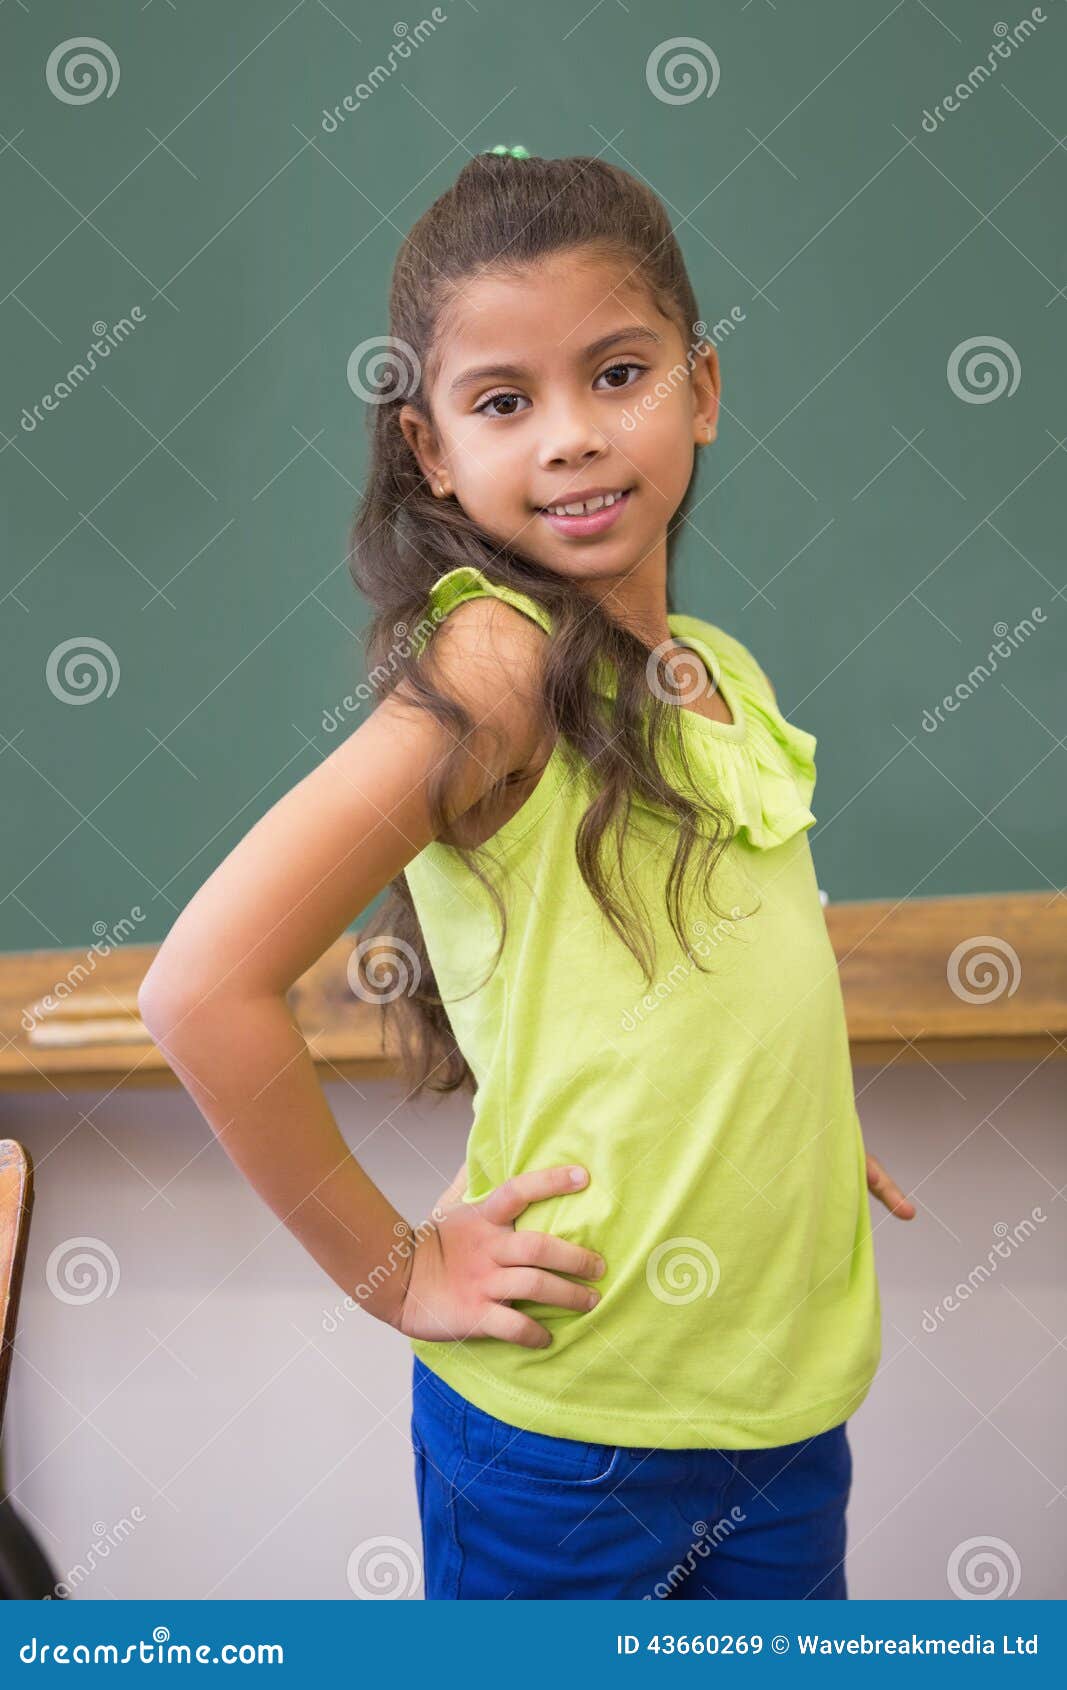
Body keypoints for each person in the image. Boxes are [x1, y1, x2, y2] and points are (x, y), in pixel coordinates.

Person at [139, 146, 916, 1603]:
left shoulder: (717, 675)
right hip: (575, 1445)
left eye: (616, 374)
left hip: (780, 1415)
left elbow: (722, 974)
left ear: (703, 387)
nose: (569, 436)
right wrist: (399, 1269)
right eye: (505, 401)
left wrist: (791, 1123)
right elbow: (200, 987)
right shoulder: (495, 663)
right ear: (433, 449)